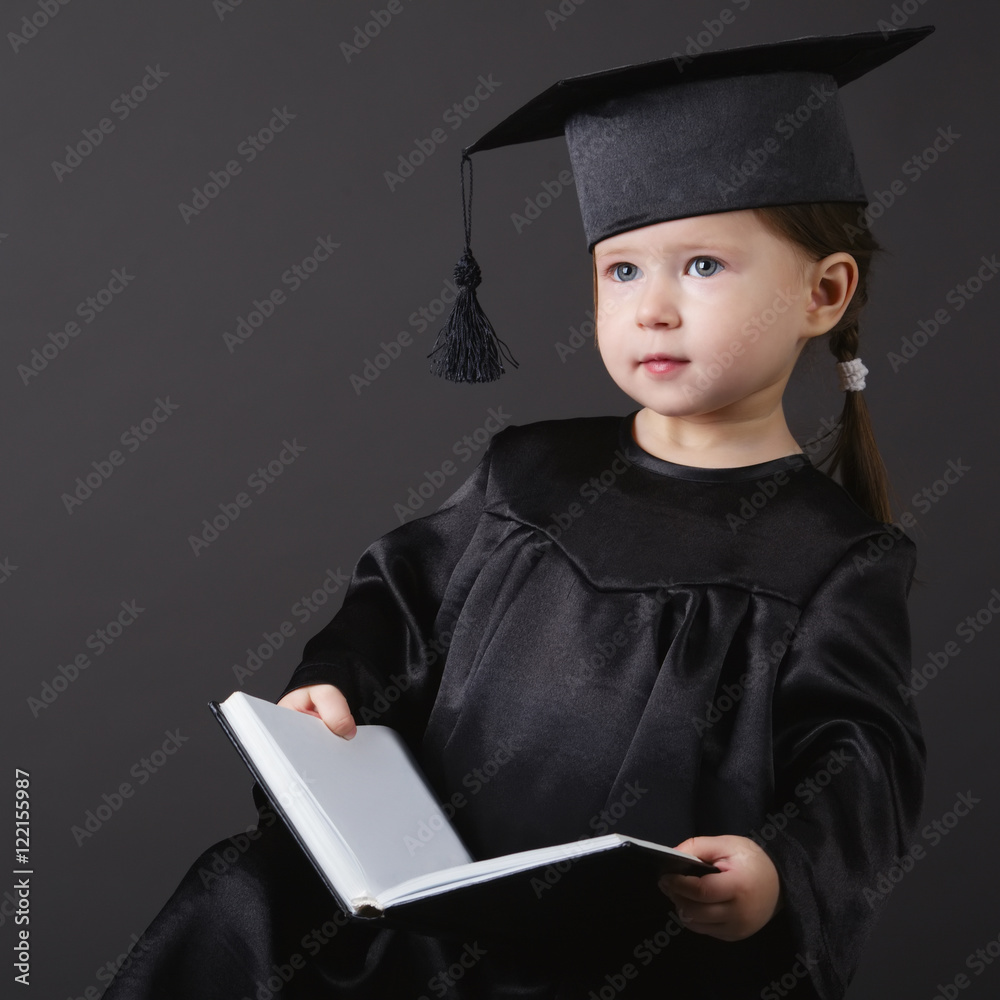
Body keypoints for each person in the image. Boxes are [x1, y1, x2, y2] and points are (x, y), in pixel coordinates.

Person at [102, 26, 934, 1000]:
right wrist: (334, 685)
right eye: (622, 270)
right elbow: (399, 599)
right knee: (242, 894)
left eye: (702, 266)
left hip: (627, 955)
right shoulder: (529, 469)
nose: (651, 309)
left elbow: (860, 763)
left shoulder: (831, 556)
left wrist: (772, 874)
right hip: (437, 916)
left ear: (823, 293)